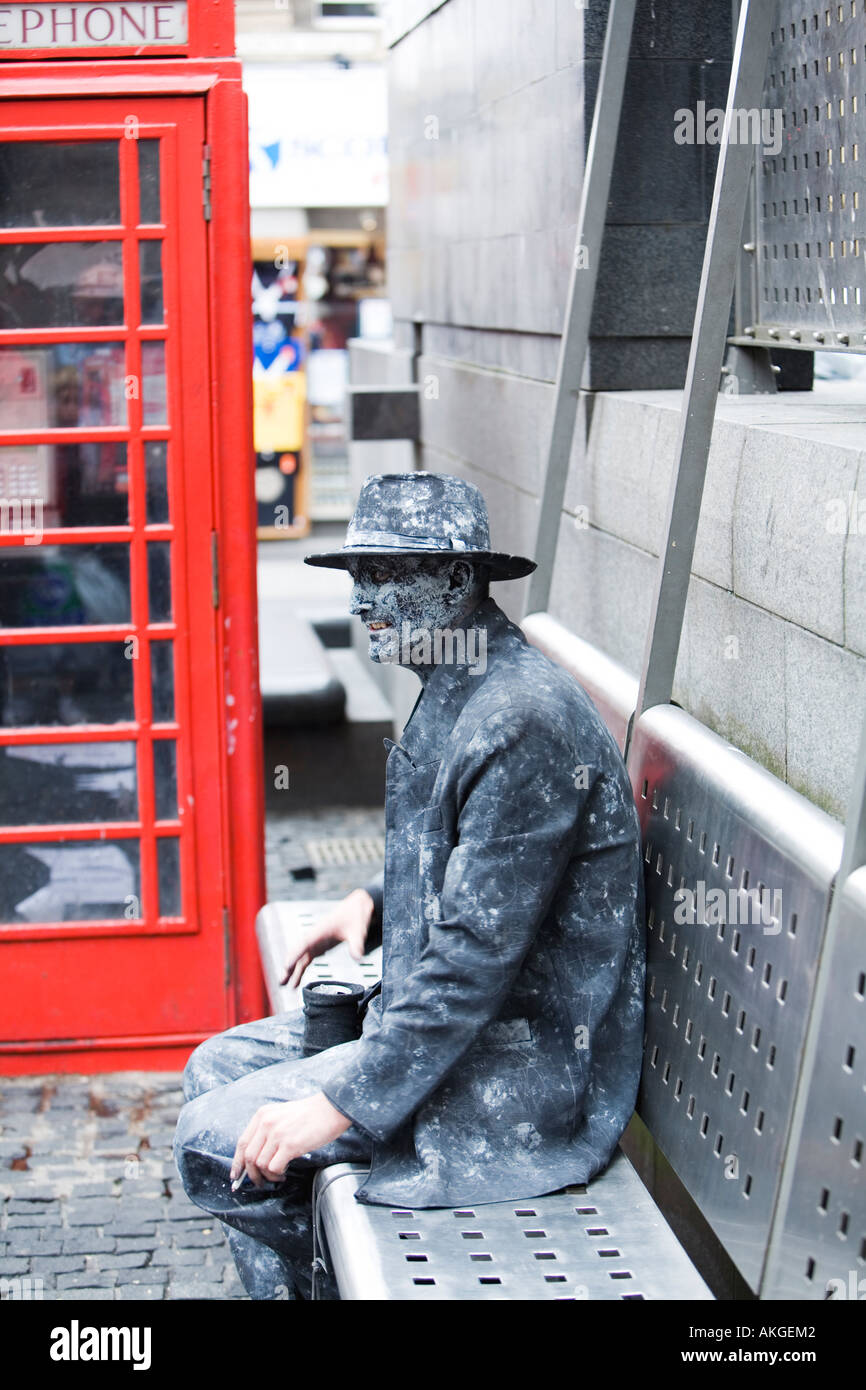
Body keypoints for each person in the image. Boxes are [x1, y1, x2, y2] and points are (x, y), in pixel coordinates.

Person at [174, 472, 646, 1300]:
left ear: (460, 581)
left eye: (383, 576)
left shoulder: (518, 718)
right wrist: (372, 903)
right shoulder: (464, 682)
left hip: (519, 1075)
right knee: (216, 1069)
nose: (360, 602)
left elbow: (472, 965)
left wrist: (343, 1104)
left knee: (217, 1144)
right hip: (450, 1027)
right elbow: (481, 869)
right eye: (356, 577)